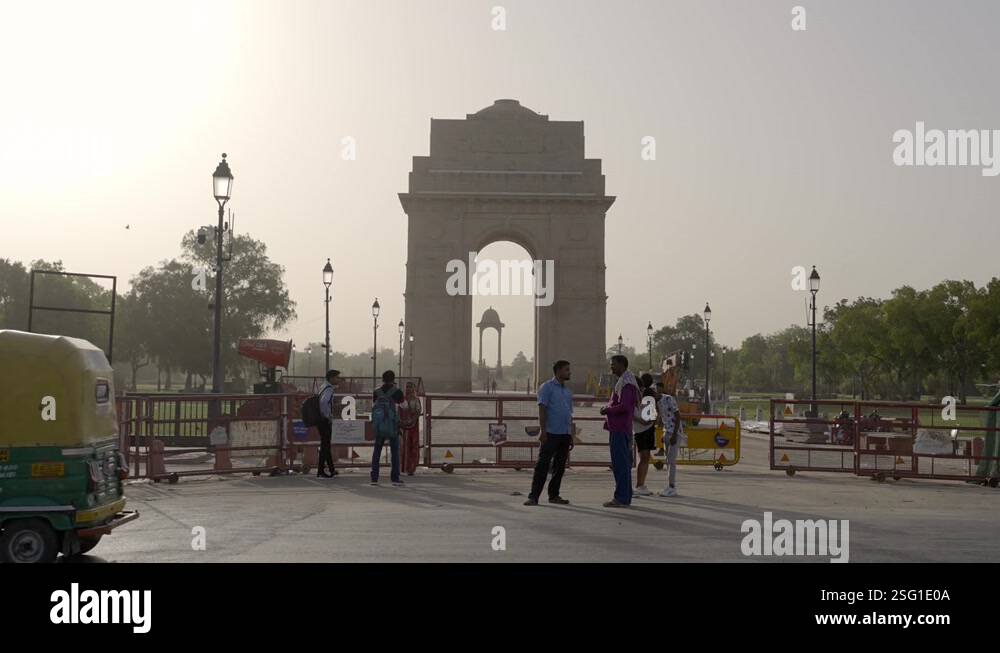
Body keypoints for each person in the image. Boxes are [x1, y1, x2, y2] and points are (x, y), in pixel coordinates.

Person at [524, 360, 574, 506]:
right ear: (558, 370)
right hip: (550, 433)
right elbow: (542, 409)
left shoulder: (567, 391)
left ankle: (554, 495)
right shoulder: (547, 387)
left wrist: (571, 434)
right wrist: (543, 431)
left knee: (559, 467)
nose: (569, 372)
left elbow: (569, 414)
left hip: (564, 433)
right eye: (567, 369)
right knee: (543, 466)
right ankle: (533, 496)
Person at [600, 355, 639, 507]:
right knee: (622, 464)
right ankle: (624, 496)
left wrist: (607, 409)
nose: (611, 367)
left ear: (622, 365)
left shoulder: (627, 384)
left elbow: (625, 406)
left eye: (613, 364)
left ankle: (621, 498)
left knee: (620, 464)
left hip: (620, 428)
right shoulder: (625, 381)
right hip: (621, 427)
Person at [370, 370, 405, 486]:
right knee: (394, 452)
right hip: (392, 426)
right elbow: (404, 405)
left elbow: (374, 406)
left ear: (382, 379)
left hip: (379, 426)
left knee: (377, 451)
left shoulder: (377, 391)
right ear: (393, 379)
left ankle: (374, 478)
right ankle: (395, 478)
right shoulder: (397, 391)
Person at [658, 386, 685, 497]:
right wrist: (663, 433)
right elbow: (664, 418)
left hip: (674, 433)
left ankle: (672, 487)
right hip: (667, 432)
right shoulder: (658, 402)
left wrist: (674, 435)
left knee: (671, 461)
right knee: (668, 460)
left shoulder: (668, 399)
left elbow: (678, 416)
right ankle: (669, 485)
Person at [633, 372, 657, 496]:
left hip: (645, 428)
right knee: (644, 457)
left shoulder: (643, 394)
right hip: (642, 429)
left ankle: (641, 484)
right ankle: (639, 485)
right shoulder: (637, 395)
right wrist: (642, 420)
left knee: (645, 457)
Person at [317, 369, 341, 478]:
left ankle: (331, 469)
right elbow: (323, 402)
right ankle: (321, 471)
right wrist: (327, 416)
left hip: (321, 420)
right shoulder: (329, 389)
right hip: (324, 420)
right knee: (325, 446)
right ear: (331, 378)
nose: (338, 379)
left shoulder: (323, 386)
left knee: (326, 445)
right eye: (336, 377)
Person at [399, 381, 423, 476]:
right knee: (404, 446)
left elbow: (417, 411)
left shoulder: (415, 399)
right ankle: (404, 468)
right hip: (405, 426)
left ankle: (411, 468)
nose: (408, 389)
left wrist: (410, 420)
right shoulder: (403, 399)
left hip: (411, 427)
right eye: (407, 387)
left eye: (410, 387)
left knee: (412, 446)